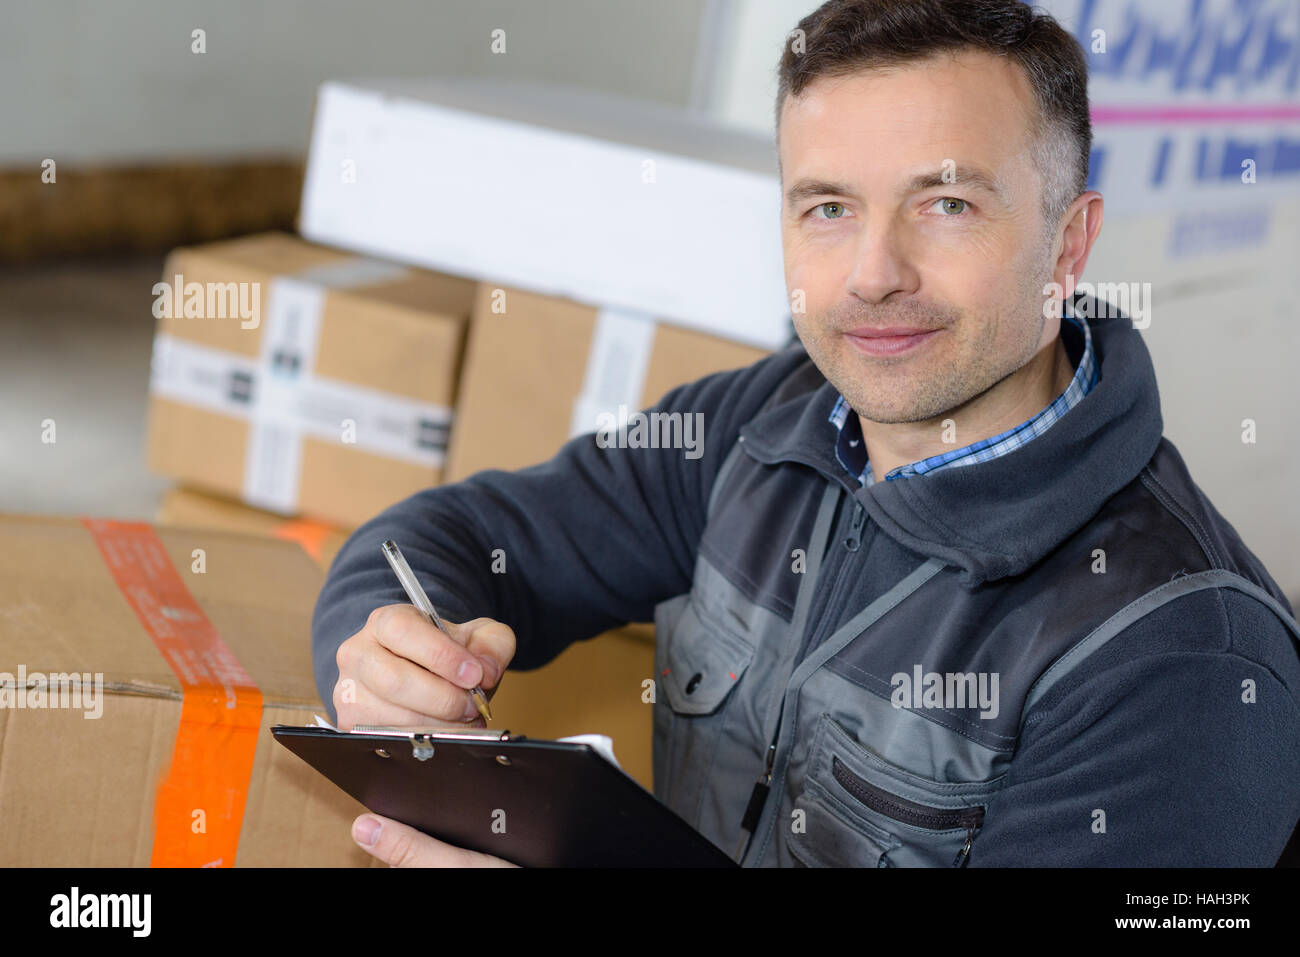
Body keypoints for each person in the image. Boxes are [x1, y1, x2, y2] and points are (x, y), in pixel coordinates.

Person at [315, 0, 1300, 868]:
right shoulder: (760, 423)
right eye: (827, 207)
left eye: (945, 204)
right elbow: (435, 541)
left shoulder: (1181, 659)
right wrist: (389, 666)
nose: (873, 272)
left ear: (1068, 243)